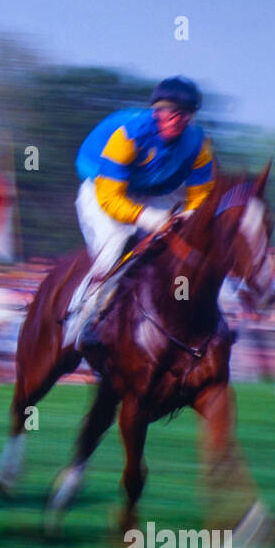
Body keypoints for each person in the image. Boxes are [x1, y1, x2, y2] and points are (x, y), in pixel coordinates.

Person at [70, 76, 216, 347]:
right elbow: (110, 199)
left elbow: (200, 195)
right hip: (101, 187)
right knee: (115, 245)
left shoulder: (199, 144)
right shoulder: (128, 135)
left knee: (187, 243)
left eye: (185, 115)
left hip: (153, 186)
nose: (178, 121)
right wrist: (149, 219)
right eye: (171, 114)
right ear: (156, 112)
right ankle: (85, 321)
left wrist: (188, 217)